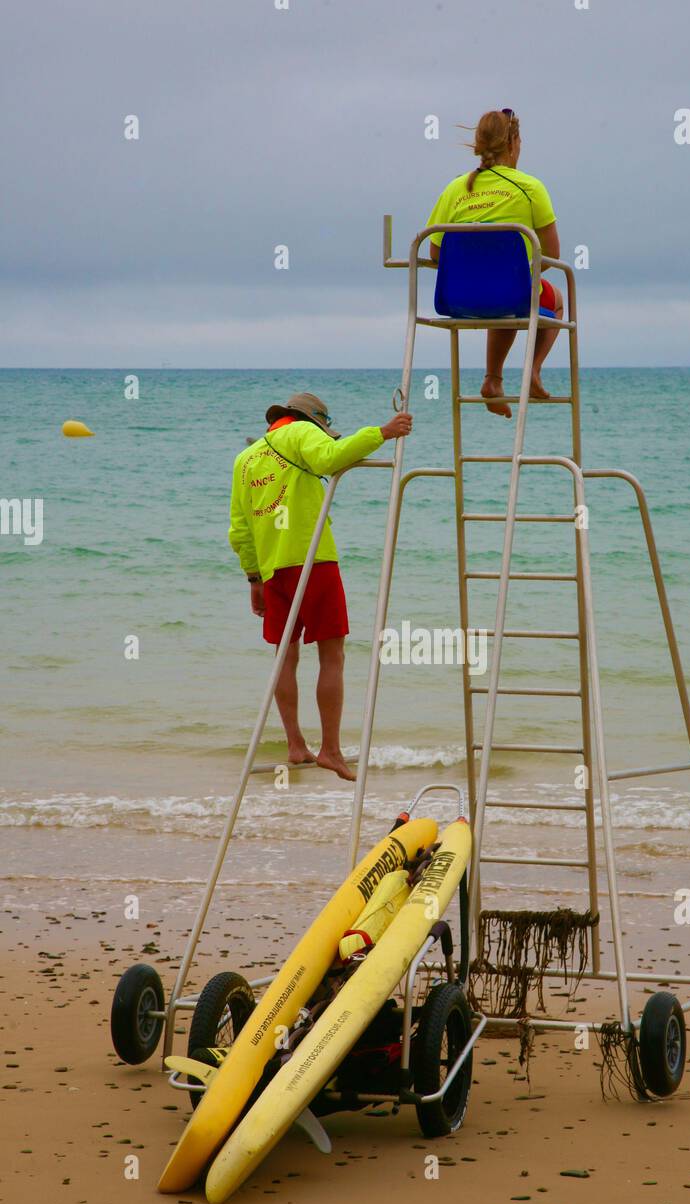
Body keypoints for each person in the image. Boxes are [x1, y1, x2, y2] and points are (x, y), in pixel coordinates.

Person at [229, 391, 412, 781]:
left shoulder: (244, 460)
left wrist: (253, 578)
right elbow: (331, 457)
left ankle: (295, 744)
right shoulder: (299, 434)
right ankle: (330, 748)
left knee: (285, 656)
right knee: (332, 654)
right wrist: (383, 432)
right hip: (313, 560)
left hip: (272, 567)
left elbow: (240, 529)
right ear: (311, 422)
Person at [426, 109, 563, 417]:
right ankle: (533, 371)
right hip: (510, 297)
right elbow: (551, 254)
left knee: (506, 291)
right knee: (549, 298)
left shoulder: (455, 188)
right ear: (513, 142)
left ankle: (494, 379)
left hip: (456, 299)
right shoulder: (530, 188)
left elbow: (435, 253)